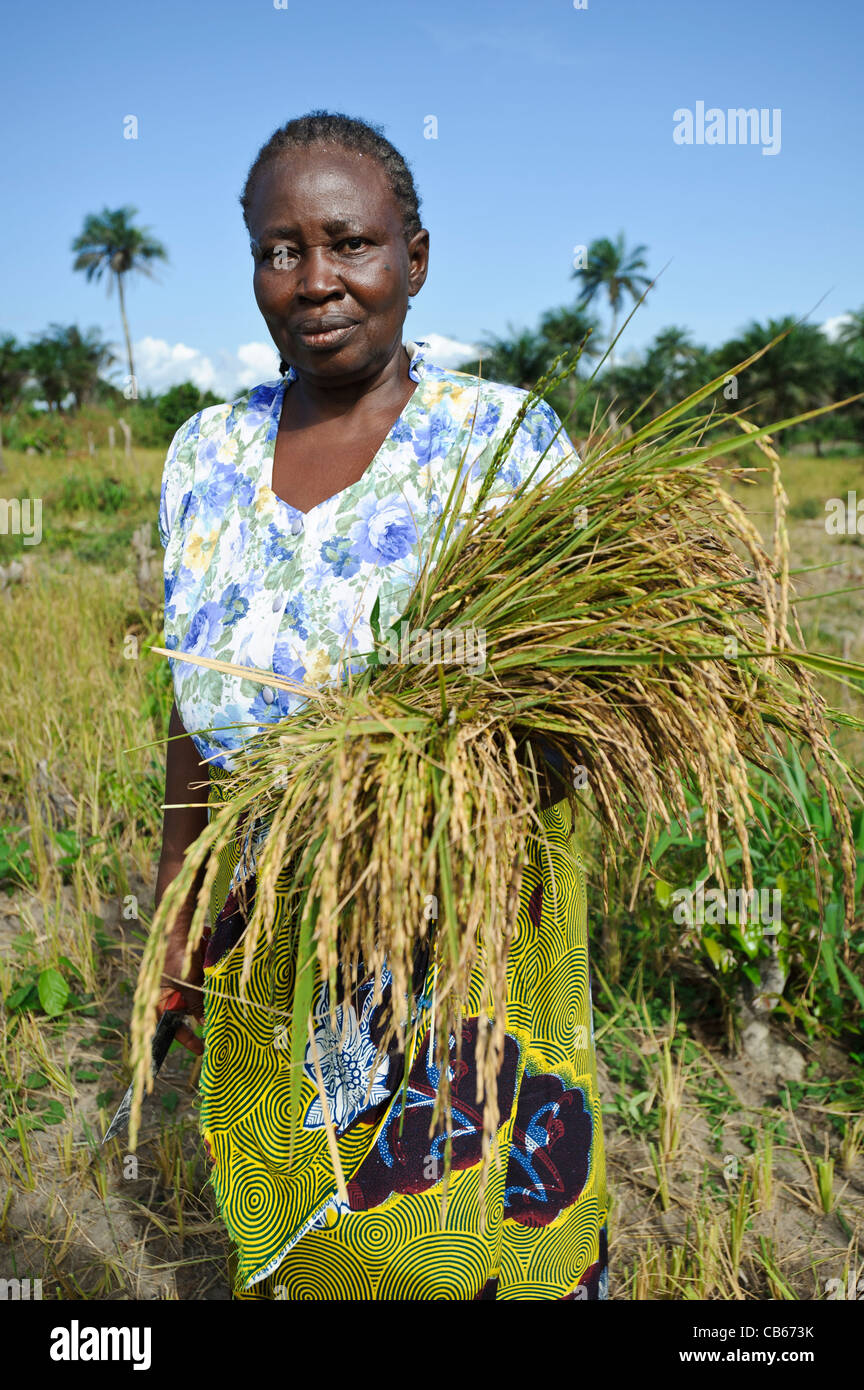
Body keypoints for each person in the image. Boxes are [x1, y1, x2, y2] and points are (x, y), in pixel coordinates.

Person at [155, 110, 608, 1300]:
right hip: (262, 927)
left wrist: (411, 795)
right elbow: (189, 716)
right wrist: (176, 906)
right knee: (302, 1233)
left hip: (455, 927)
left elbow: (573, 703)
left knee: (457, 1235)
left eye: (348, 243)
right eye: (279, 248)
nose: (315, 281)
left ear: (414, 257)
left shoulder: (499, 443)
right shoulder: (204, 456)